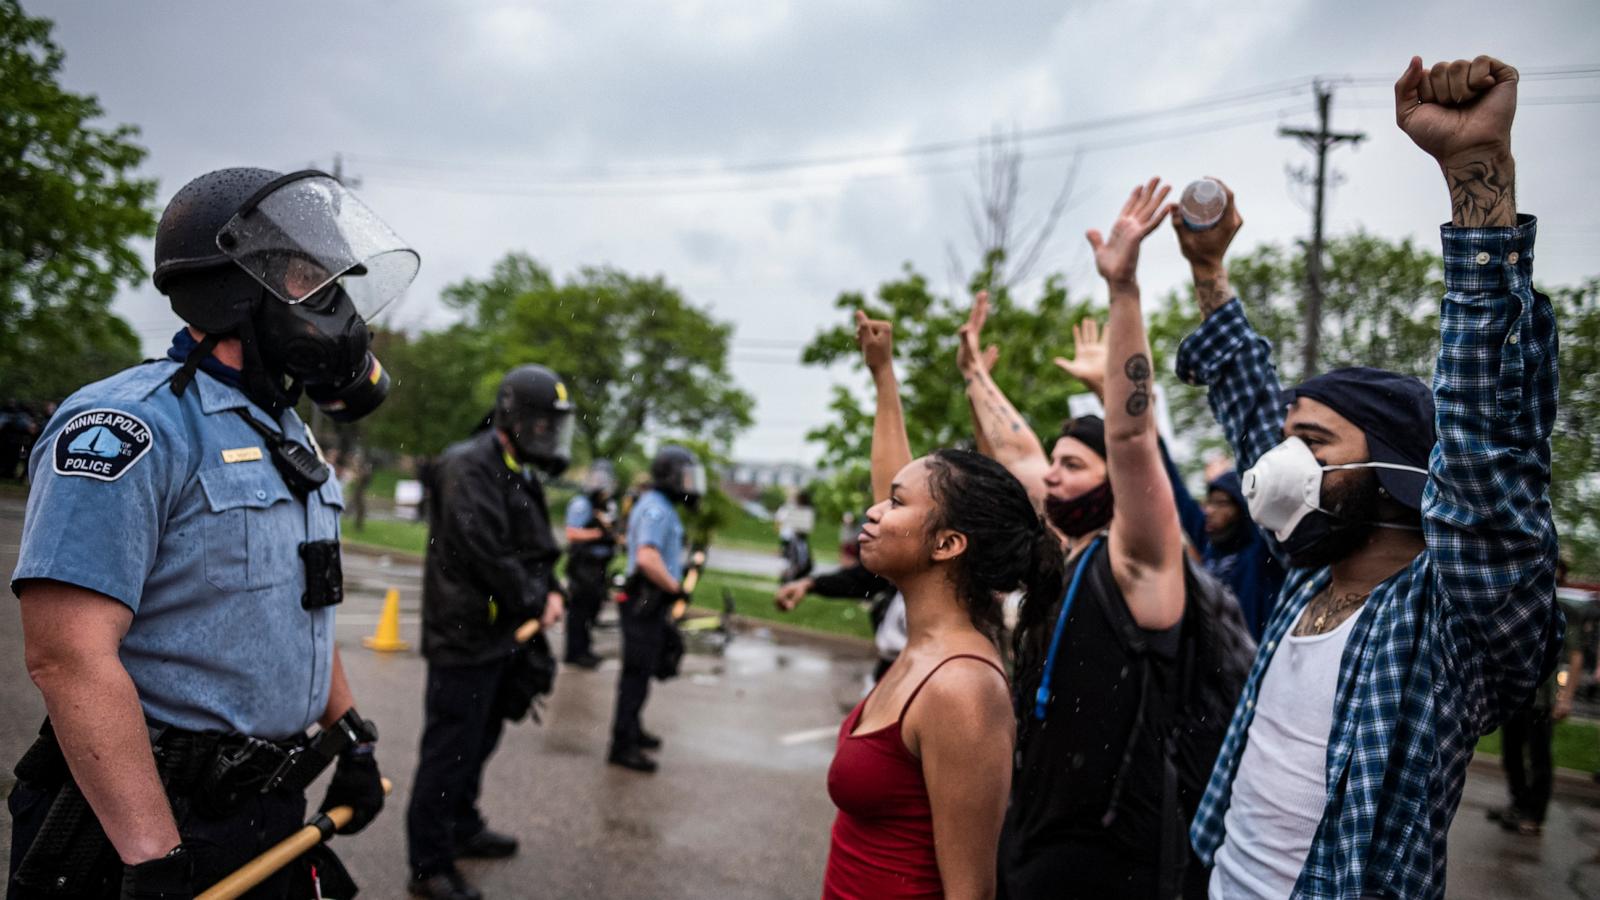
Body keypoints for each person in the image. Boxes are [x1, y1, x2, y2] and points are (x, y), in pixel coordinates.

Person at [1178, 57, 1563, 899]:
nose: (1278, 464)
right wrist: (1209, 272)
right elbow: (1249, 401)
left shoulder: (1453, 622)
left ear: (1394, 468)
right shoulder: (1307, 574)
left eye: (1312, 440)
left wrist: (1476, 174)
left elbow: (1492, 452)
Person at [8, 167, 407, 899]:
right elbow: (68, 659)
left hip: (267, 812)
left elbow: (305, 610)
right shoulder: (128, 427)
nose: (332, 305)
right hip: (138, 821)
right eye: (306, 278)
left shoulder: (291, 435)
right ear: (231, 289)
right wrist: (152, 854)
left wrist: (351, 732)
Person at [960, 181, 1244, 898]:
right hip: (1036, 834)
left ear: (1114, 484)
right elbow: (1016, 448)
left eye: (1073, 466)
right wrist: (973, 378)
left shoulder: (1140, 562)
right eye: (1053, 467)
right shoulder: (1068, 543)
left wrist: (1124, 292)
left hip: (1115, 863)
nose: (1051, 478)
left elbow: (1130, 433)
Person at [820, 309, 1029, 900]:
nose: (873, 512)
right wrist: (884, 377)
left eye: (893, 505)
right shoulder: (925, 647)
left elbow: (970, 894)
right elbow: (905, 490)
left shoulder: (963, 689)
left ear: (947, 545)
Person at [407, 364, 573, 900]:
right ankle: (429, 863)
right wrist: (534, 596)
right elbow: (486, 555)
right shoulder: (467, 465)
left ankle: (462, 823)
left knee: (481, 738)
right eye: (543, 424)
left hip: (503, 636)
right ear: (514, 418)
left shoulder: (517, 467)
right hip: (463, 635)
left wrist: (553, 590)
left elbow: (538, 548)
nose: (550, 436)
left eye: (556, 426)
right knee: (449, 749)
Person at [609, 444, 705, 773]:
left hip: (650, 602)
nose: (690, 485)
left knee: (645, 669)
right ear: (669, 476)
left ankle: (632, 729)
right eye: (685, 478)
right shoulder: (656, 509)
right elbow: (647, 558)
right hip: (644, 600)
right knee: (636, 674)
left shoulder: (660, 505)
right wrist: (675, 588)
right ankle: (622, 744)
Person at [1491, 559, 1586, 836]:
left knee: (1539, 758)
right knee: (1511, 755)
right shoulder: (1525, 603)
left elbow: (1576, 657)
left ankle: (1535, 815)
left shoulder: (1564, 609)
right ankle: (1518, 804)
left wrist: (1566, 698)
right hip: (1516, 695)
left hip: (1543, 700)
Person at [775, 558, 900, 682]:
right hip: (888, 675)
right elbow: (861, 580)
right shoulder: (896, 572)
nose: (861, 537)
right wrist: (809, 584)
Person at [1199, 470, 1283, 640]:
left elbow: (1270, 496)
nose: (1208, 510)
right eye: (1209, 502)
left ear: (1241, 508)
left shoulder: (1260, 556)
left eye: (1220, 503)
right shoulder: (1208, 550)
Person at [564, 459, 620, 669]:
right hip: (583, 567)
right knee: (579, 610)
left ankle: (584, 649)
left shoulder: (604, 506)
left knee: (591, 609)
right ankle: (575, 652)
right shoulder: (582, 504)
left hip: (598, 566)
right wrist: (600, 534)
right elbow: (572, 533)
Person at [776, 489, 817, 583]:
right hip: (794, 539)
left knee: (796, 560)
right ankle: (789, 577)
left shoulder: (804, 510)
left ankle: (790, 577)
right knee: (791, 560)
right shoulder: (799, 509)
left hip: (797, 540)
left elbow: (803, 528)